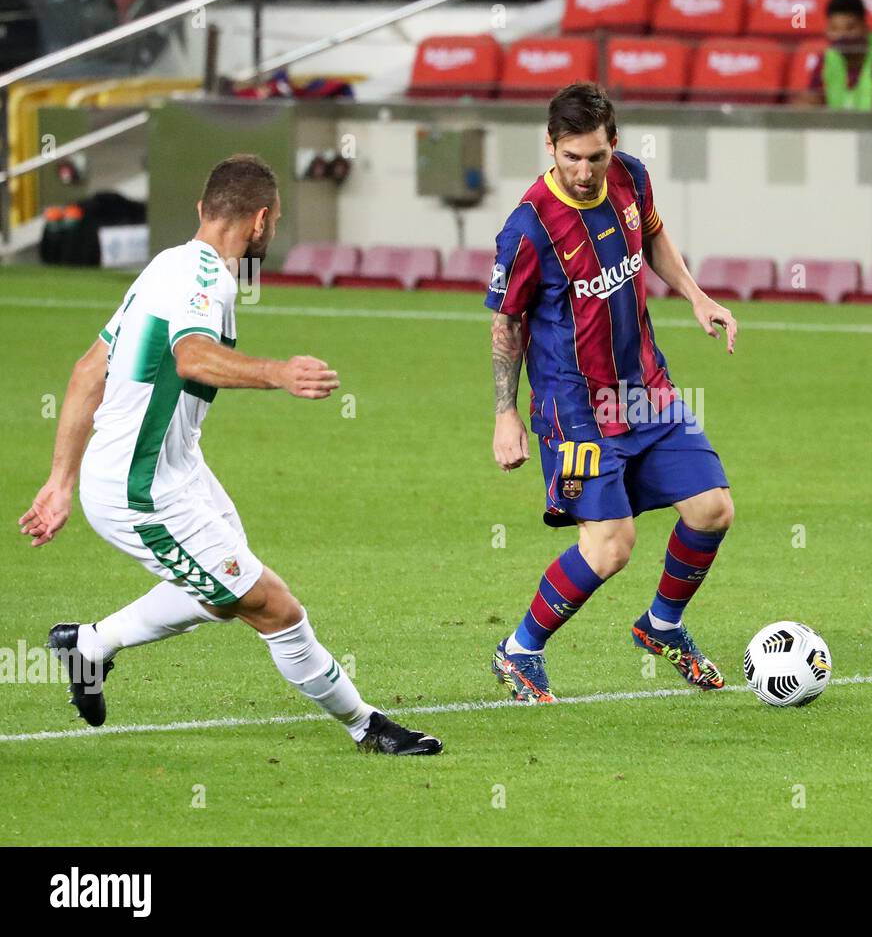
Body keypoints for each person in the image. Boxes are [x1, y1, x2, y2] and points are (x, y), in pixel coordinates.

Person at [20, 154, 441, 755]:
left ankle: (92, 644)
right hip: (139, 491)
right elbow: (191, 356)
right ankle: (365, 725)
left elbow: (89, 368)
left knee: (220, 593)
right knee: (272, 605)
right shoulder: (207, 280)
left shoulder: (167, 264)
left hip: (175, 470)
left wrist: (60, 481)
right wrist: (278, 372)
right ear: (262, 221)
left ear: (202, 210)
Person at [487, 83, 738, 703]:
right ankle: (519, 650)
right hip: (574, 409)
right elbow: (507, 324)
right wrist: (504, 413)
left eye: (593, 156)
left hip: (644, 389)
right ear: (550, 146)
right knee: (610, 545)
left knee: (712, 509)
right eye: (569, 156)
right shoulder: (527, 228)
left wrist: (697, 296)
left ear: (613, 145)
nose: (581, 170)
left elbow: (653, 237)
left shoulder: (632, 178)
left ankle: (662, 626)